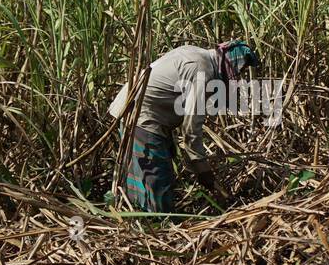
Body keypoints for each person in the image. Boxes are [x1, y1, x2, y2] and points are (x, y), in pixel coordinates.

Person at [108, 40, 261, 213]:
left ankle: (140, 216)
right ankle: (161, 223)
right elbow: (191, 127)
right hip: (139, 113)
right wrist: (202, 170)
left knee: (144, 170)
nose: (238, 77)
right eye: (239, 71)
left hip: (135, 107)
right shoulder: (203, 71)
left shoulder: (199, 55)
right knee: (157, 175)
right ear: (230, 63)